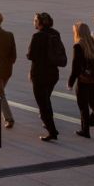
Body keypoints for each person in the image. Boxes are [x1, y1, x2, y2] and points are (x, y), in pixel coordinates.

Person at [27, 12, 63, 141]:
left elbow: (30, 56)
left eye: (35, 20)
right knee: (46, 100)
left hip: (40, 74)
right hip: (53, 73)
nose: (34, 22)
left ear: (40, 23)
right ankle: (48, 123)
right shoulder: (55, 33)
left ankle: (52, 131)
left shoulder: (37, 36)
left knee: (42, 104)